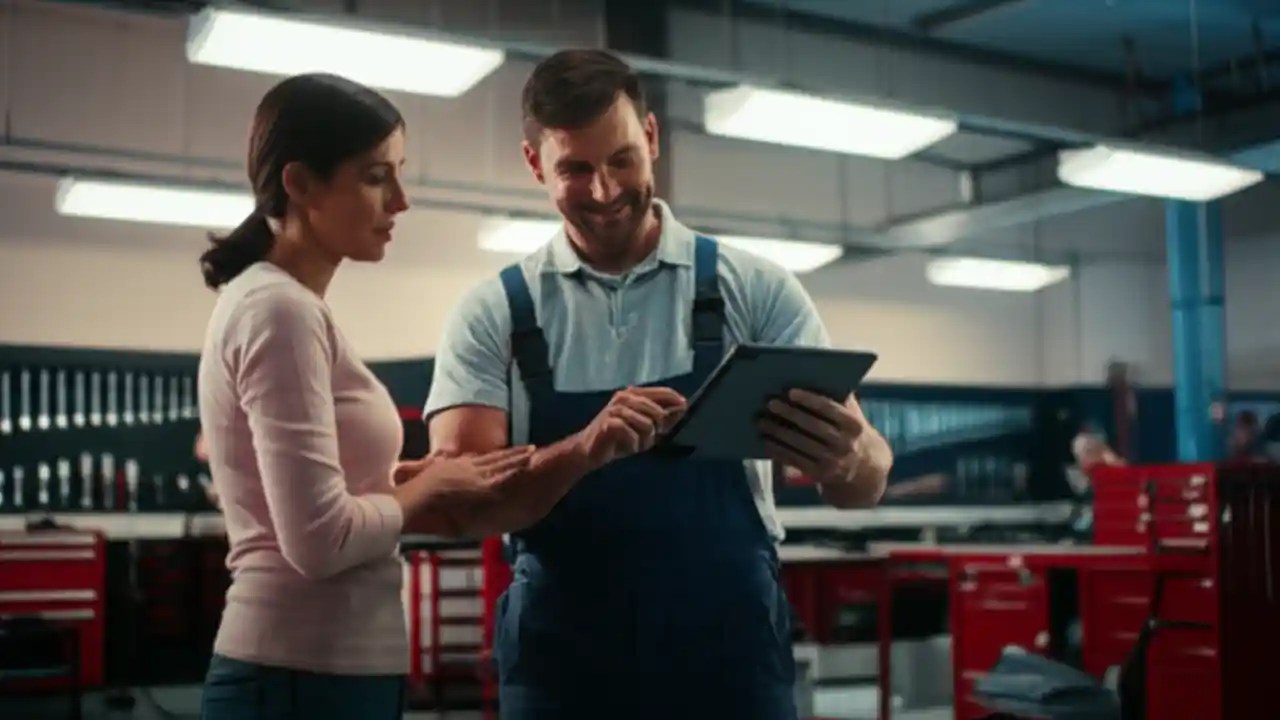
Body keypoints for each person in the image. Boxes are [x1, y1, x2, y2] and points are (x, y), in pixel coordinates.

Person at [423, 50, 893, 718]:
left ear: (651, 136)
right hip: (564, 660)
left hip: (727, 652)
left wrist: (851, 456)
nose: (605, 191)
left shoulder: (753, 290)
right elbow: (463, 506)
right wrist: (585, 449)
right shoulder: (494, 313)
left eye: (621, 159)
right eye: (576, 169)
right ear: (535, 165)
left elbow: (866, 481)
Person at [195, 73, 532, 720]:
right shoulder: (279, 312)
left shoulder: (283, 307)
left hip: (318, 673)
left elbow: (320, 510)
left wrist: (395, 483)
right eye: (376, 177)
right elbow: (319, 541)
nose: (400, 201)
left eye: (399, 174)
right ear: (299, 183)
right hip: (300, 677)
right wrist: (427, 489)